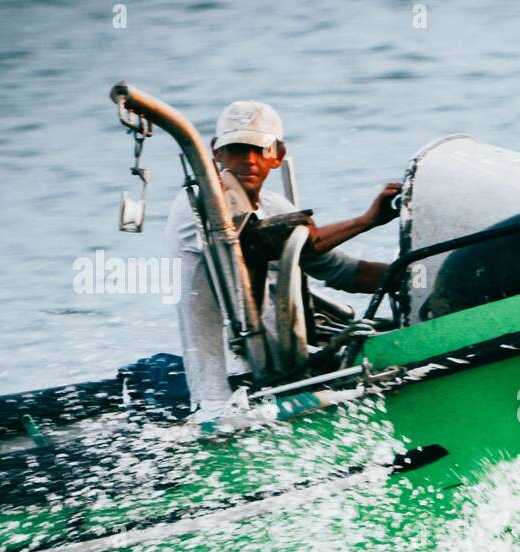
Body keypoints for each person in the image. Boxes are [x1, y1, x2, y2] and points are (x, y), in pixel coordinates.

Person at [166, 99, 401, 412]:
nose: (248, 160)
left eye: (259, 149)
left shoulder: (276, 209)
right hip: (226, 393)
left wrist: (416, 278)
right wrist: (364, 221)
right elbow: (259, 243)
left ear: (277, 156)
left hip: (285, 371)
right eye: (236, 148)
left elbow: (341, 269)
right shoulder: (198, 207)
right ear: (215, 152)